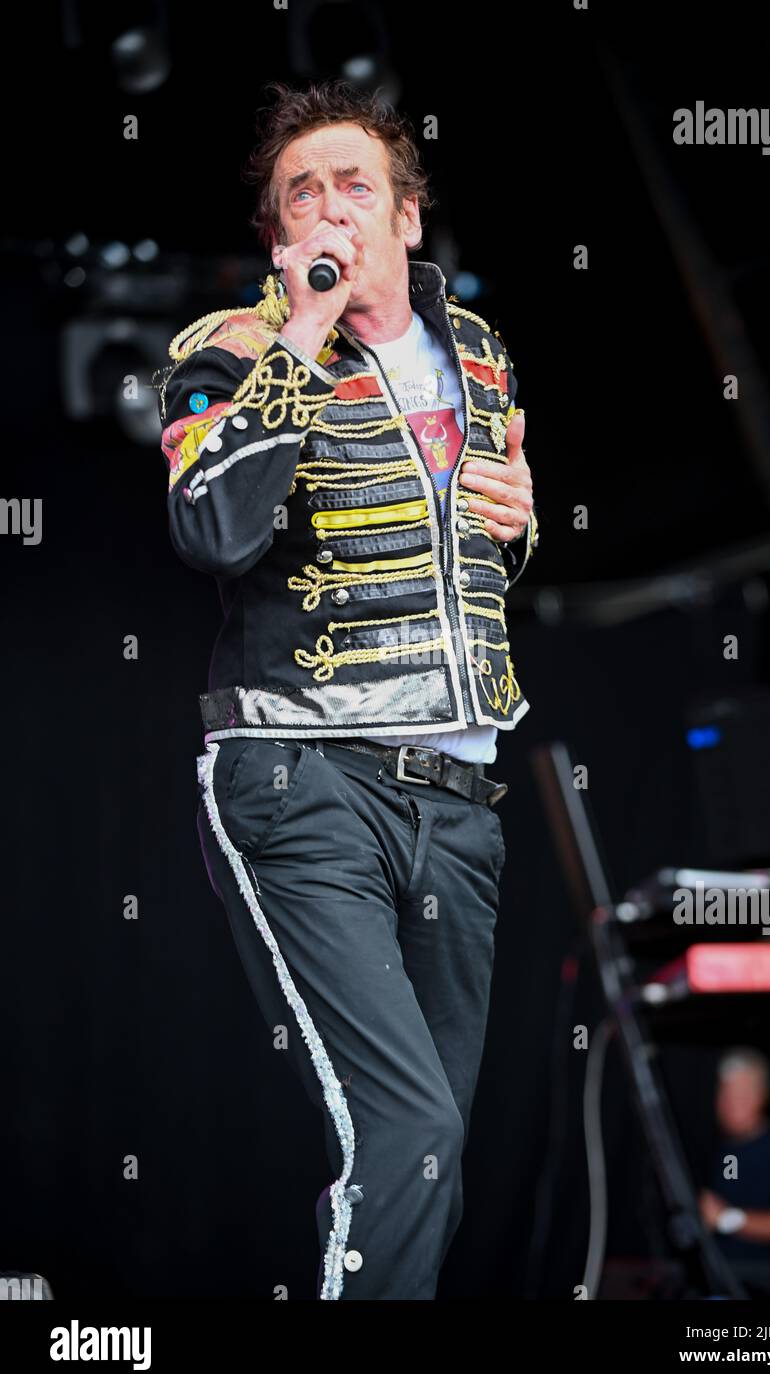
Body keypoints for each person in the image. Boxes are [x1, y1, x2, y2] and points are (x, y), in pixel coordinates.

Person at [153, 78, 538, 1300]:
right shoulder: (224, 350)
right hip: (303, 779)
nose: (326, 208)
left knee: (426, 1157)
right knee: (405, 1135)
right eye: (298, 196)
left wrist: (519, 530)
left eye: (352, 185)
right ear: (277, 240)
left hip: (460, 799)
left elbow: (471, 554)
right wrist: (303, 340)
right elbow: (212, 526)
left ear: (408, 220)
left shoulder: (476, 350)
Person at [699, 1049, 770, 1266]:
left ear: (762, 1096)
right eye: (725, 1094)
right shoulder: (715, 1147)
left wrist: (726, 1219)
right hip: (714, 1275)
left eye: (742, 1095)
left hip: (764, 1280)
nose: (732, 1104)